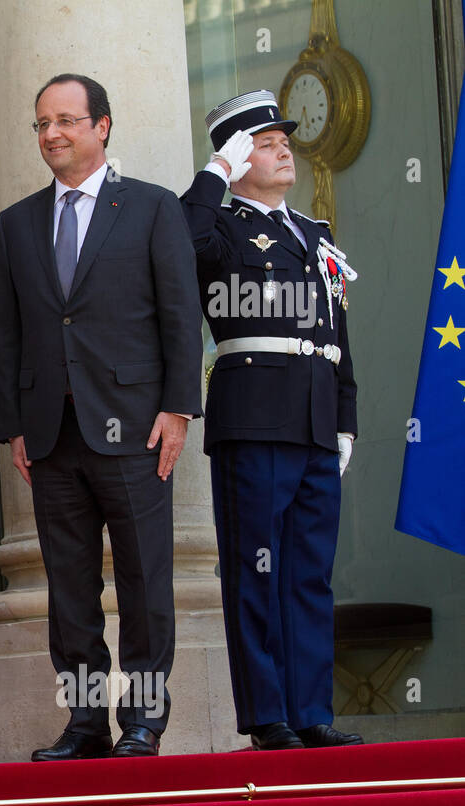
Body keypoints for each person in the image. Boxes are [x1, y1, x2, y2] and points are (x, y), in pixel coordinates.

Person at [0, 74, 204, 760]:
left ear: (101, 126)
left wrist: (177, 409)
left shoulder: (150, 207)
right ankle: (84, 724)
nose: (51, 134)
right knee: (70, 588)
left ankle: (142, 722)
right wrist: (14, 425)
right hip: (52, 434)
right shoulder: (17, 223)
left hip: (136, 427)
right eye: (41, 124)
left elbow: (180, 315)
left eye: (66, 121)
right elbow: (5, 333)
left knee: (144, 579)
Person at [180, 90, 361, 750]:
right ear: (232, 155)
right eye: (264, 141)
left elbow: (338, 334)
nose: (284, 147)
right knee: (255, 569)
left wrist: (346, 420)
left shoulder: (317, 236)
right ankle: (268, 717)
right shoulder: (220, 226)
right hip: (254, 421)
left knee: (309, 572)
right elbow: (180, 242)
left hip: (315, 420)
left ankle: (310, 710)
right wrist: (216, 172)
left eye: (285, 138)